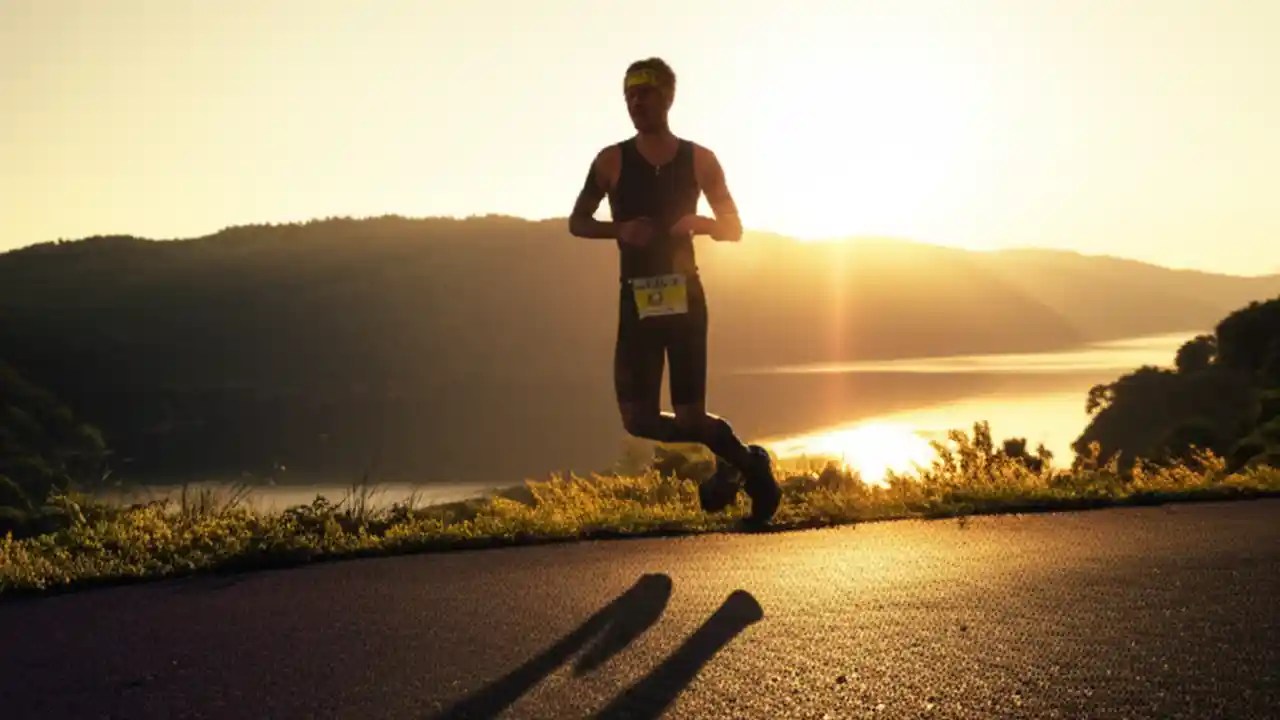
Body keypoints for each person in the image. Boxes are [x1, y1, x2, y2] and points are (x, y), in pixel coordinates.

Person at [568, 57, 781, 525]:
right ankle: (744, 459)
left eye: (644, 94)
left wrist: (701, 223)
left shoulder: (700, 160)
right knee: (638, 421)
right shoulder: (611, 160)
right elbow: (577, 222)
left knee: (689, 416)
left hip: (685, 298)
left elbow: (734, 228)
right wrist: (619, 230)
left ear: (667, 97)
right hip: (637, 300)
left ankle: (749, 471)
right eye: (628, 96)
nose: (635, 103)